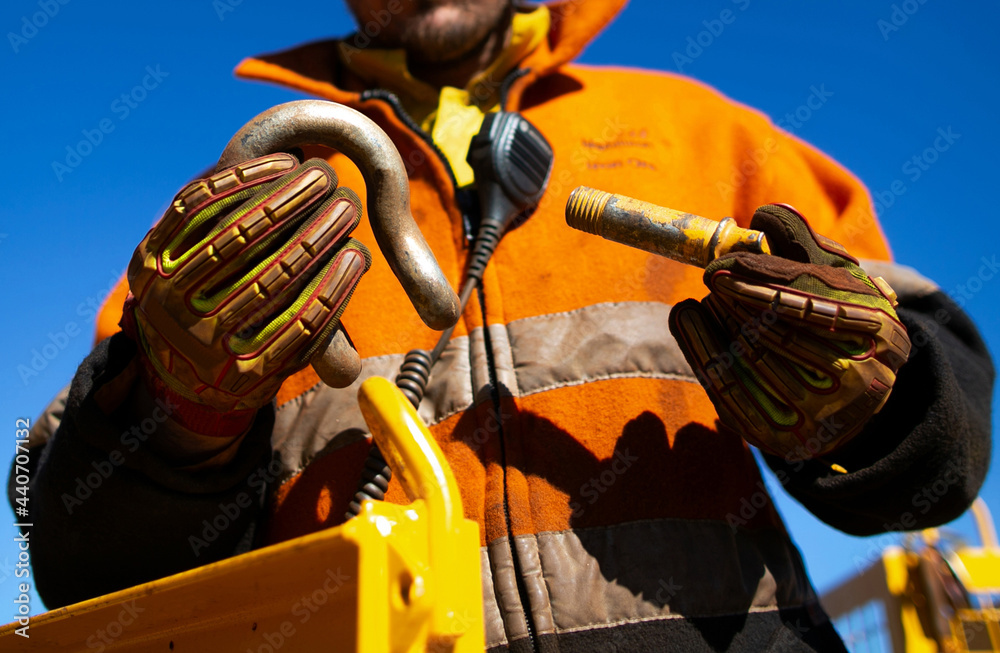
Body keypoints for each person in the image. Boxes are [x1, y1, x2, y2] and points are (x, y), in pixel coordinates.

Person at [16, 0, 993, 650]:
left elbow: (941, 447)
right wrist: (181, 405)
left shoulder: (701, 132)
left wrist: (879, 398)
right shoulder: (229, 222)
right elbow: (92, 567)